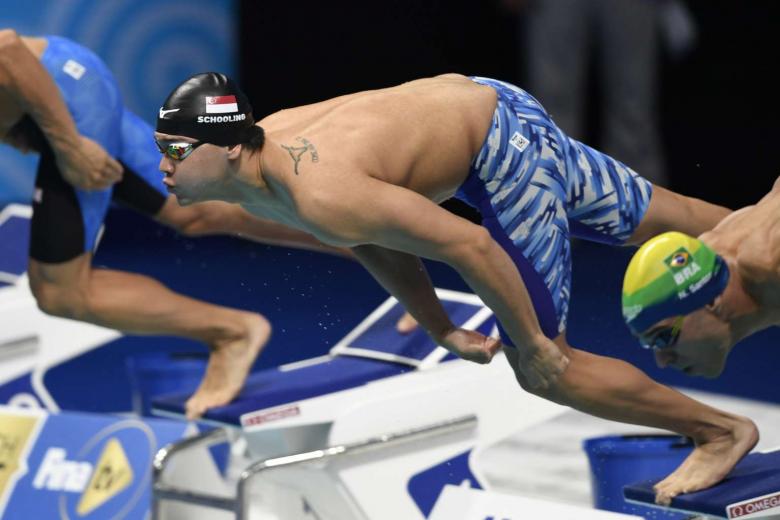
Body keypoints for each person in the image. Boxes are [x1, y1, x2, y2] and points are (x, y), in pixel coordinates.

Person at [154, 71, 757, 504]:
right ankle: (768, 231)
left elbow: (469, 246)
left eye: (177, 150)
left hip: (501, 153)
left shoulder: (317, 190)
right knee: (666, 215)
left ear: (231, 147)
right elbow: (371, 238)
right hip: (490, 99)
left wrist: (531, 340)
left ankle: (720, 433)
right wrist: (440, 324)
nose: (165, 167)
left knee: (547, 369)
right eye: (162, 151)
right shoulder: (270, 156)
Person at [0, 29, 350, 420]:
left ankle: (231, 333)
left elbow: (6, 48)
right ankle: (357, 235)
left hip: (66, 93)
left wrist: (69, 145)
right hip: (70, 84)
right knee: (195, 210)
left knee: (58, 290)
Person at [623, 181, 780, 379]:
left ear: (712, 301)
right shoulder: (716, 253)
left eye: (663, 338)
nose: (662, 361)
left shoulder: (767, 264)